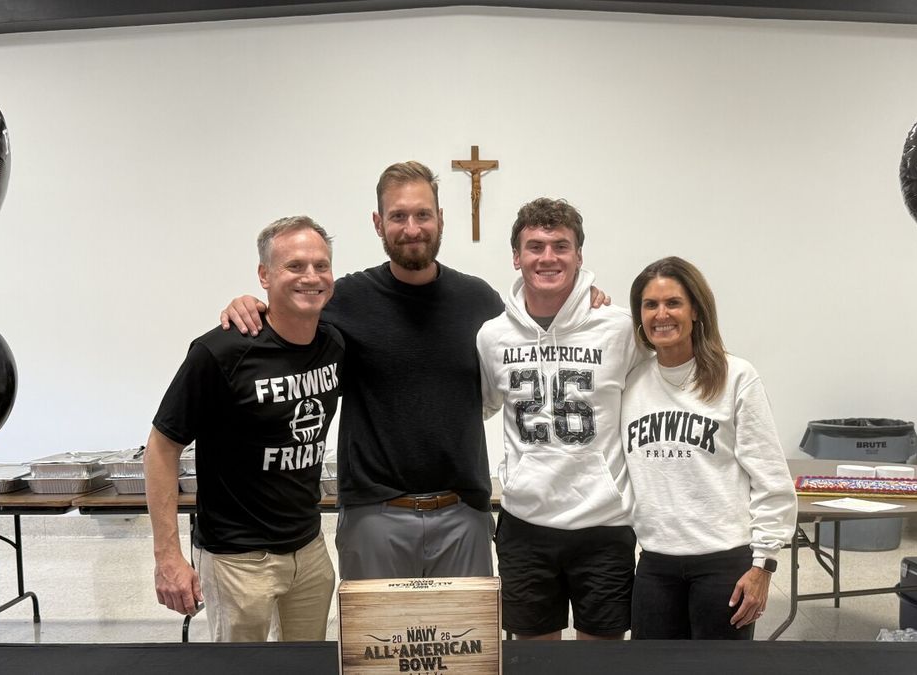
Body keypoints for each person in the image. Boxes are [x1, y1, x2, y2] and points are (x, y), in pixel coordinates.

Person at [220, 162, 505, 580]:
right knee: (373, 627)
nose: (412, 228)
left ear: (440, 218)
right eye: (398, 216)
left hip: (463, 514)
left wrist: (585, 299)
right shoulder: (345, 300)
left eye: (423, 214)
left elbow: (533, 344)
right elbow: (289, 317)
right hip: (374, 516)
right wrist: (249, 304)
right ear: (378, 223)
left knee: (466, 626)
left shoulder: (479, 301)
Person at [145, 216, 343, 642]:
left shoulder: (334, 344)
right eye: (294, 266)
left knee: (307, 666)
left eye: (321, 265)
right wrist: (168, 556)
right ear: (264, 275)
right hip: (237, 559)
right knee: (241, 669)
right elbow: (161, 448)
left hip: (309, 549)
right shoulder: (220, 351)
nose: (311, 276)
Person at [477, 198, 643, 640]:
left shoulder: (619, 329)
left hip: (604, 522)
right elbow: (483, 405)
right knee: (535, 659)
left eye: (561, 246)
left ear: (579, 255)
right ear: (516, 257)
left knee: (601, 659)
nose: (548, 257)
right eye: (535, 246)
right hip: (525, 522)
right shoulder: (492, 336)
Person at [620, 256, 797, 640]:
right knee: (649, 668)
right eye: (650, 305)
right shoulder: (630, 384)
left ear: (696, 310)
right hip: (655, 564)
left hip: (724, 564)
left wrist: (763, 566)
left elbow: (770, 478)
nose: (661, 314)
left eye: (673, 303)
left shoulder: (736, 377)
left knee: (721, 667)